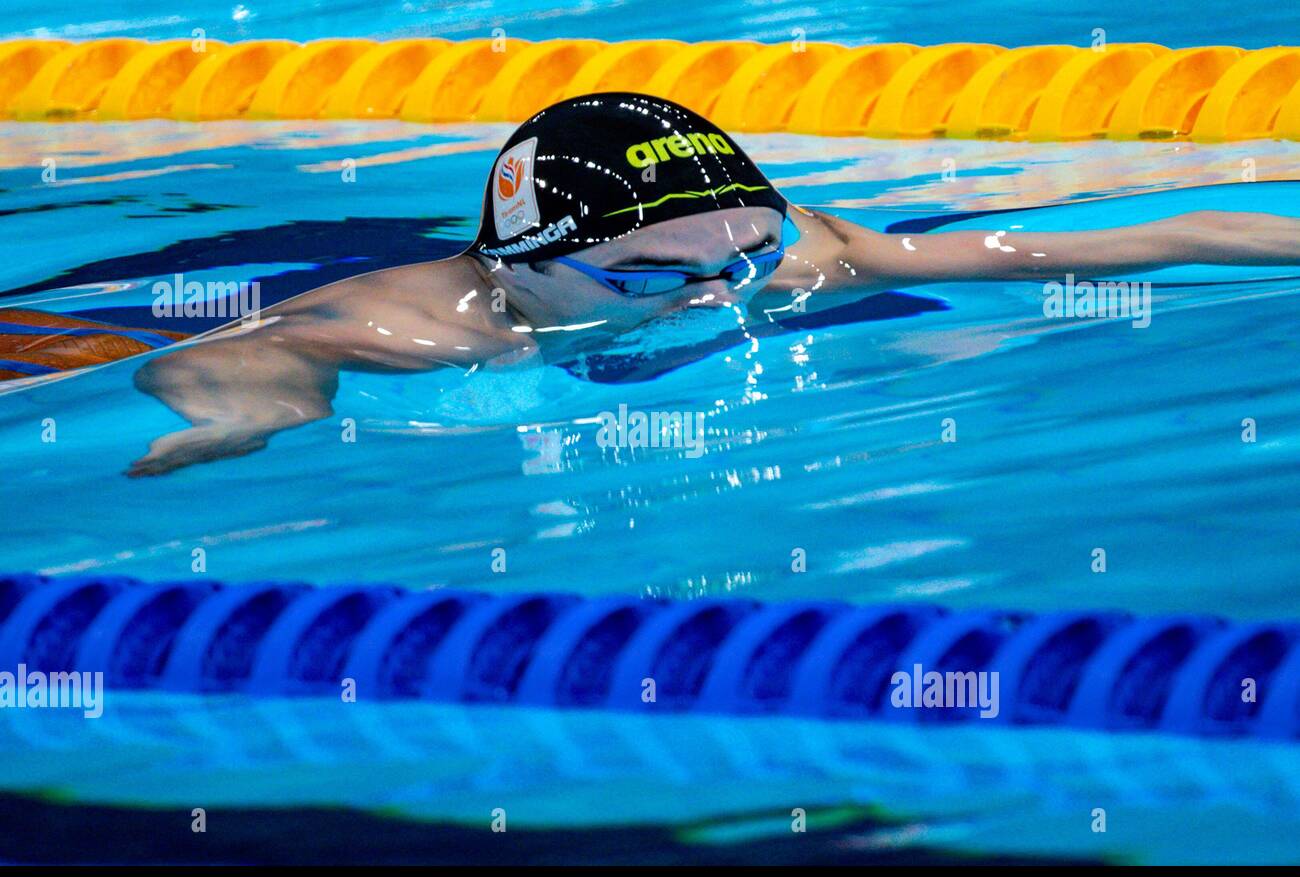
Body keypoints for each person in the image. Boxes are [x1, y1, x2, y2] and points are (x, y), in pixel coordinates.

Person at [37, 92, 1300, 475]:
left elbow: (1101, 243)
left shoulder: (792, 256)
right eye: (650, 272)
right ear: (524, 264)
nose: (714, 295)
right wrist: (252, 410)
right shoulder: (428, 330)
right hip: (73, 336)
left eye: (744, 249)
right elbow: (235, 352)